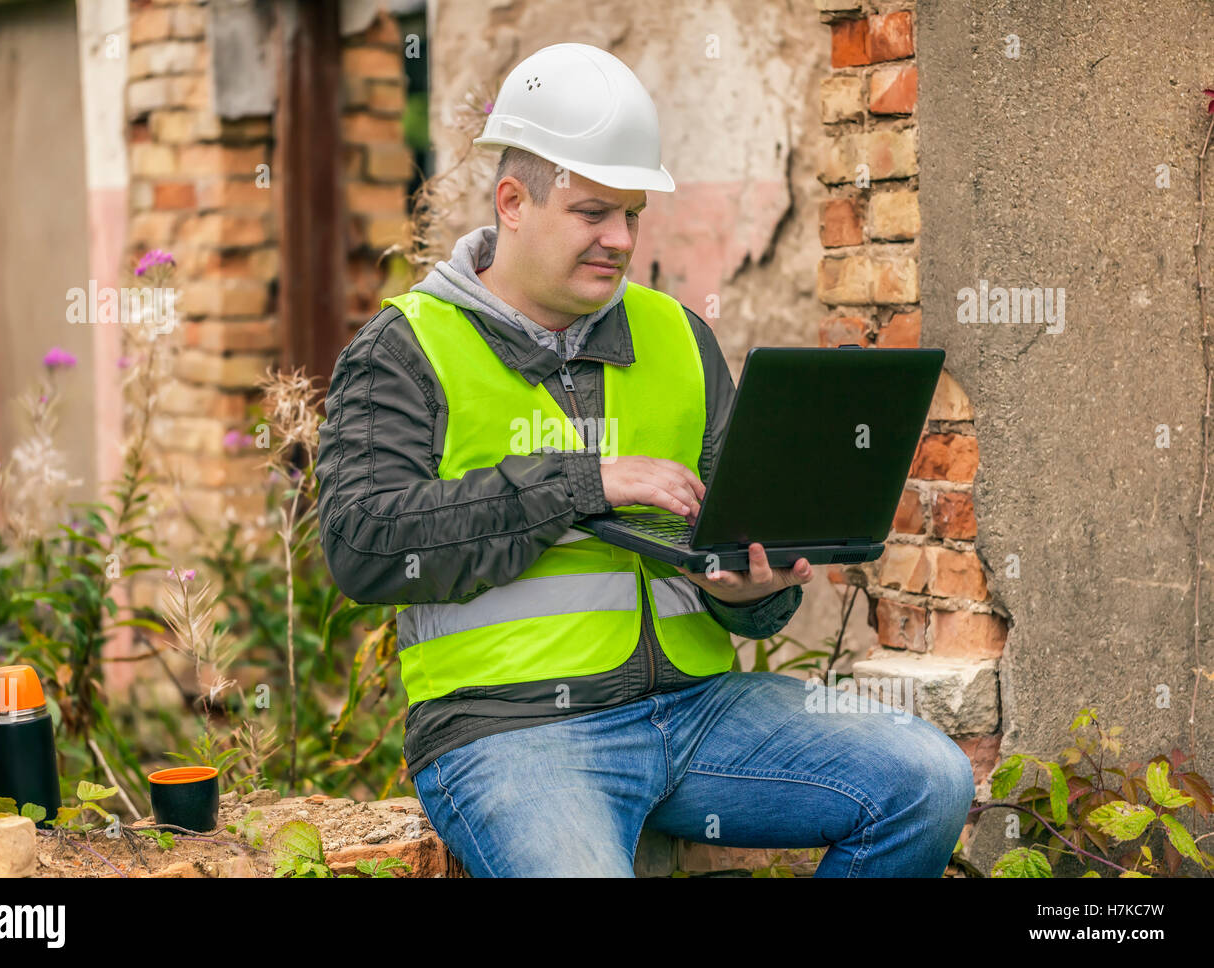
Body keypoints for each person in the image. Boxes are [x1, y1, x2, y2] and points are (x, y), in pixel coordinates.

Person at [315, 43, 975, 877]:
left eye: (632, 213)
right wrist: (582, 482)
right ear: (513, 202)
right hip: (511, 732)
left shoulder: (677, 335)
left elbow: (734, 548)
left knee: (928, 780)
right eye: (594, 213)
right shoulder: (406, 348)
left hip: (701, 712)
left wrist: (752, 594)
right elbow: (364, 544)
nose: (620, 240)